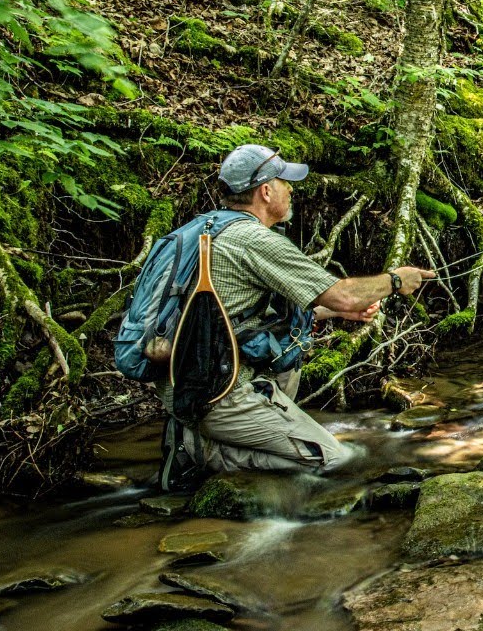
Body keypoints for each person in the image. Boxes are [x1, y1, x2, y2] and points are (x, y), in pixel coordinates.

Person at [159, 143, 433, 489]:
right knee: (333, 458)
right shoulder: (253, 240)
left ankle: (198, 429)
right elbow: (346, 294)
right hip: (219, 394)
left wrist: (331, 311)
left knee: (289, 346)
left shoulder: (201, 230)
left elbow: (232, 318)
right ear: (265, 191)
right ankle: (201, 452)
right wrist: (396, 280)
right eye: (285, 182)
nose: (291, 190)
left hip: (182, 384)